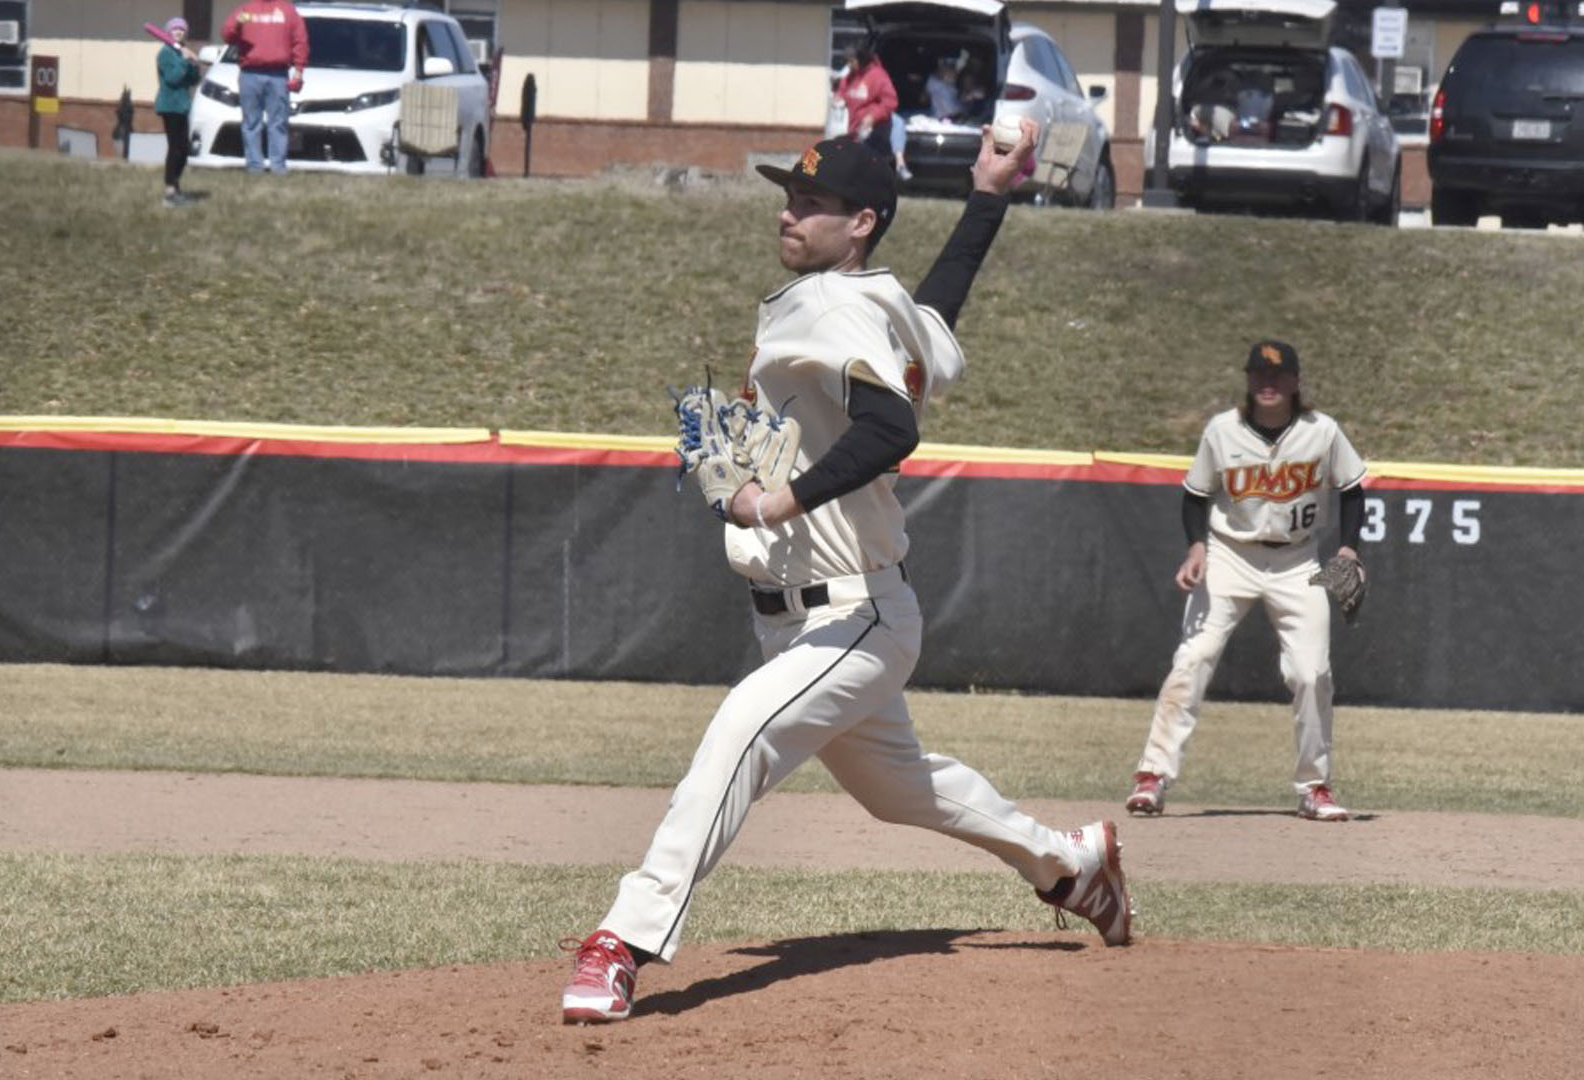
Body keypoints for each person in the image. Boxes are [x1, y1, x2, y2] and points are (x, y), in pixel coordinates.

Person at [560, 122, 1132, 1026]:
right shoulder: (874, 301)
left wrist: (778, 503)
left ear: (861, 221)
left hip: (851, 617)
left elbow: (891, 429)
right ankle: (1070, 861)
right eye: (789, 195)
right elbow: (935, 325)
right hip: (809, 618)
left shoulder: (836, 309)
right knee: (902, 789)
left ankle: (622, 941)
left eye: (812, 203)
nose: (790, 212)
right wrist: (987, 197)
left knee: (737, 735)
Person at [1125, 341, 1367, 823]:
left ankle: (1314, 786)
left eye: (1278, 375)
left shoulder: (1323, 432)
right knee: (1193, 658)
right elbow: (1196, 496)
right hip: (1229, 555)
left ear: (1297, 382)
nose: (1268, 383)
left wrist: (1348, 550)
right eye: (1259, 374)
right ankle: (1153, 776)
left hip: (1299, 560)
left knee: (1311, 672)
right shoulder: (1223, 431)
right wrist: (1197, 548)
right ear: (1248, 381)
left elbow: (1352, 489)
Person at [222, 0, 308, 174]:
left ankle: (278, 167)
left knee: (278, 123)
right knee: (251, 122)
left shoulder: (287, 10)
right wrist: (238, 23)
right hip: (250, 73)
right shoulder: (246, 8)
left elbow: (300, 40)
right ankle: (255, 166)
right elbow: (227, 36)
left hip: (278, 74)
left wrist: (298, 70)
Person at [153, 17, 205, 206]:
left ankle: (176, 186)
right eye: (175, 29)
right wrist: (184, 61)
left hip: (182, 106)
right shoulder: (165, 53)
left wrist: (194, 65)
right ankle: (169, 190)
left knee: (184, 149)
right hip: (169, 106)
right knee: (175, 148)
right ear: (168, 32)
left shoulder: (181, 51)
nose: (178, 32)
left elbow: (192, 80)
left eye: (182, 29)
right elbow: (173, 78)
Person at [834, 39, 897, 159]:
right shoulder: (850, 75)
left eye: (851, 61)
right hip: (853, 132)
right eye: (847, 61)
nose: (848, 65)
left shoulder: (878, 76)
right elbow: (843, 89)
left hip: (874, 134)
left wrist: (873, 117)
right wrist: (839, 97)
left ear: (862, 59)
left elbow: (890, 102)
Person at [925, 54, 964, 121]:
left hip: (958, 117)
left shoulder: (955, 86)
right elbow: (924, 98)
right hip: (941, 118)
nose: (954, 71)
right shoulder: (933, 82)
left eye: (953, 67)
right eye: (948, 67)